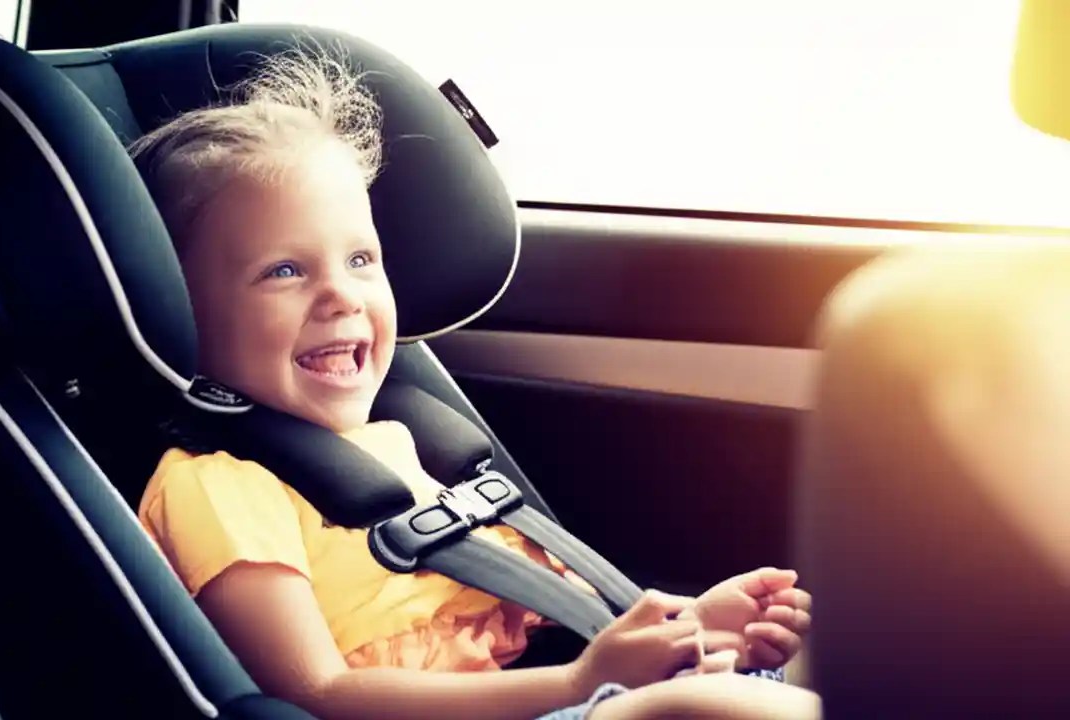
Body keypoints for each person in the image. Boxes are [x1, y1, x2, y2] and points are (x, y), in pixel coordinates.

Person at [129, 45, 816, 720]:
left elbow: (550, 616)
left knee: (834, 652)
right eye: (284, 271)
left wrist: (687, 629)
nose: (342, 296)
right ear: (179, 311)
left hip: (565, 686)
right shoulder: (215, 485)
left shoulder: (408, 443)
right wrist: (583, 682)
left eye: (361, 259)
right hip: (544, 701)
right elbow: (316, 695)